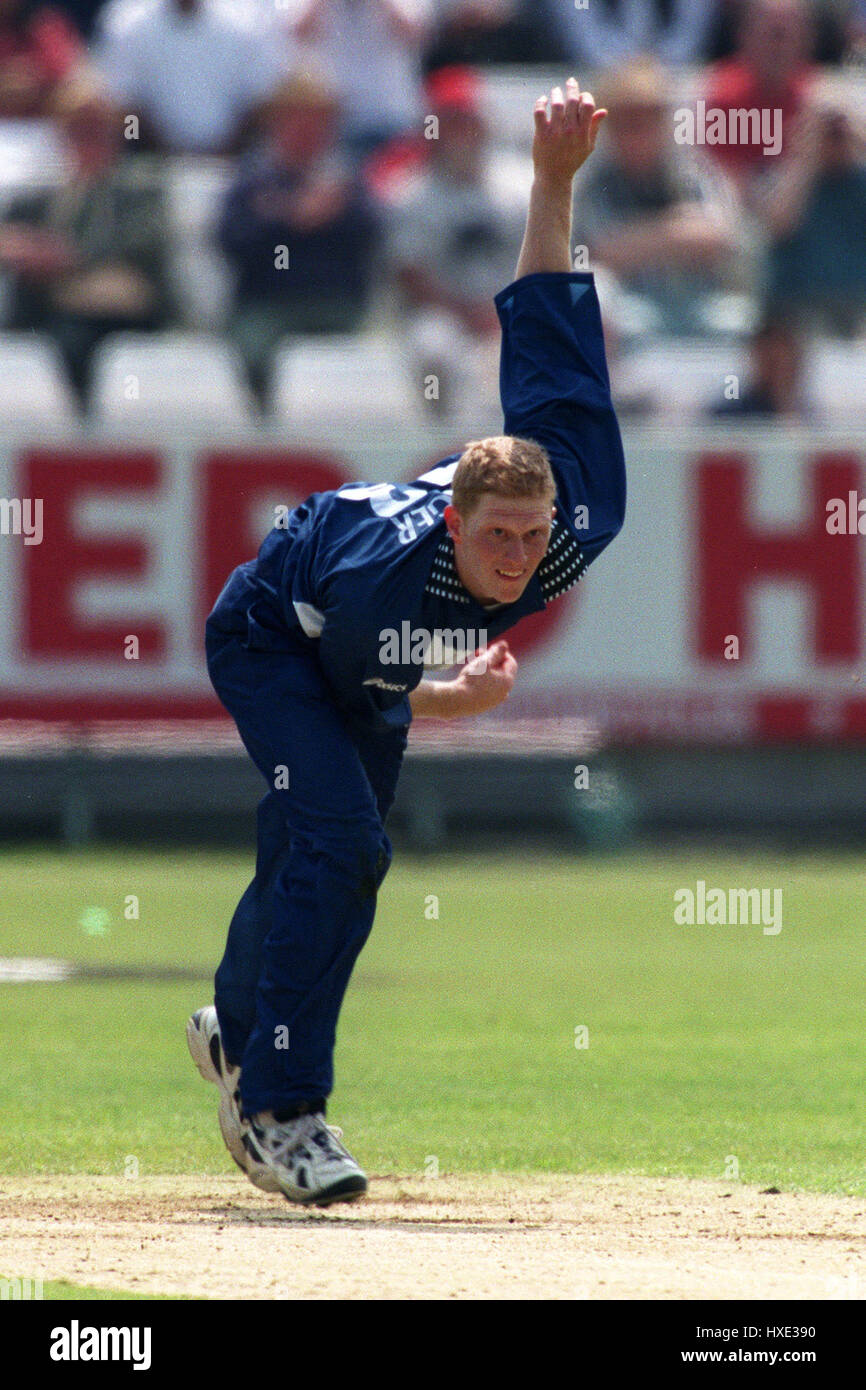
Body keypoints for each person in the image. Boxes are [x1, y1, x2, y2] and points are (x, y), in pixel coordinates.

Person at [187, 76, 626, 1207]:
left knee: (314, 838)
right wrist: (447, 700)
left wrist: (547, 179)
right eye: (495, 539)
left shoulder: (578, 512)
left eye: (531, 536)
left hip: (357, 646)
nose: (518, 558)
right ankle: (279, 1108)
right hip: (272, 638)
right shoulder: (391, 580)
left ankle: (235, 1022)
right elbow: (362, 700)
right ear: (452, 520)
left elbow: (541, 314)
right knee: (342, 843)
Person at [0, 72, 172, 402]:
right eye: (77, 130)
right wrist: (19, 248)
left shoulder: (140, 190)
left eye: (96, 129)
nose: (87, 139)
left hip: (123, 318)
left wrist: (66, 256)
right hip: (48, 315)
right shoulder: (42, 194)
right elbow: (10, 233)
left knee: (71, 346)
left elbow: (141, 243)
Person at [218, 69, 379, 402]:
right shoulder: (252, 180)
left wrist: (325, 216)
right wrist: (292, 218)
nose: (307, 129)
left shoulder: (346, 180)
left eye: (316, 119)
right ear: (276, 124)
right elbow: (232, 241)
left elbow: (370, 233)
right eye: (296, 118)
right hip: (268, 305)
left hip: (338, 305)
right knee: (249, 354)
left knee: (371, 362)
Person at [388, 64, 528, 418]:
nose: (460, 133)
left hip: (515, 312)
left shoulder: (522, 186)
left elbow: (543, 259)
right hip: (445, 315)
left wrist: (505, 314)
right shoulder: (411, 194)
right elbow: (411, 275)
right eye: (448, 123)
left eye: (466, 121)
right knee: (434, 346)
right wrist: (469, 315)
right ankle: (448, 449)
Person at [94, 0, 282, 154]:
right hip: (150, 162)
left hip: (234, 164)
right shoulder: (126, 20)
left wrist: (226, 151)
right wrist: (147, 146)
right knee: (126, 129)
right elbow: (121, 107)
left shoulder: (247, 20)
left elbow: (263, 103)